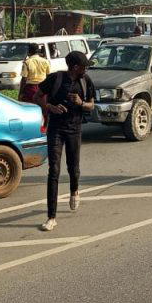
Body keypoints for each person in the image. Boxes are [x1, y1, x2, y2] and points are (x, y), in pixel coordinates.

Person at [35, 51, 95, 232]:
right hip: (56, 129)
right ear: (75, 67)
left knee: (73, 167)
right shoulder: (55, 79)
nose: (86, 69)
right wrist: (49, 106)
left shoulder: (85, 81)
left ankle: (74, 191)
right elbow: (37, 96)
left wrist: (80, 103)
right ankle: (51, 217)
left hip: (75, 129)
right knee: (53, 170)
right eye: (84, 66)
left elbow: (91, 104)